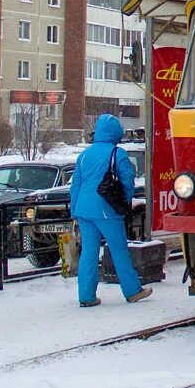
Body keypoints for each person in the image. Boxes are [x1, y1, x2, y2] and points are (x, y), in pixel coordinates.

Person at [69, 113, 151, 307]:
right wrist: (126, 201)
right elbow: (127, 182)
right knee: (119, 250)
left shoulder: (84, 154)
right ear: (115, 133)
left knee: (89, 252)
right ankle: (133, 291)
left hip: (84, 209)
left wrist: (75, 211)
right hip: (106, 209)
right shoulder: (117, 153)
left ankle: (86, 296)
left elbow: (76, 186)